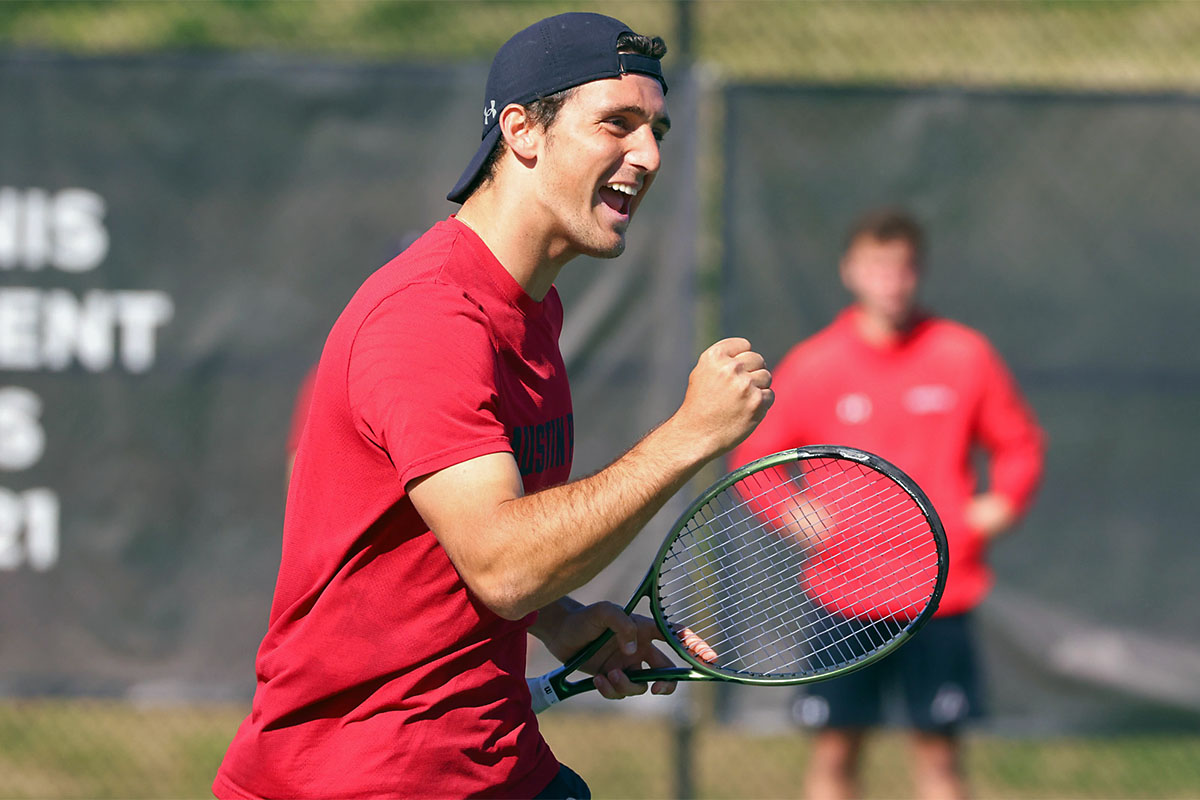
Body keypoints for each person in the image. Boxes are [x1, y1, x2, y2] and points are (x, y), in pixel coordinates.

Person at [213, 12, 773, 800]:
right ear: (522, 131)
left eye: (657, 130)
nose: (648, 155)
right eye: (617, 123)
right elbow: (503, 565)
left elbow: (452, 546)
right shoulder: (428, 318)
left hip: (492, 761)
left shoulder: (530, 307)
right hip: (363, 779)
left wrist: (561, 620)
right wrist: (688, 436)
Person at [731, 208, 1044, 800]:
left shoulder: (964, 355)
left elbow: (1019, 445)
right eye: (877, 266)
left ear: (918, 272)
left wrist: (1000, 505)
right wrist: (792, 511)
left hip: (939, 592)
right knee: (834, 754)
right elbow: (754, 458)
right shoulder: (816, 363)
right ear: (850, 271)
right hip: (842, 594)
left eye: (902, 267)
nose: (890, 281)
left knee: (939, 761)